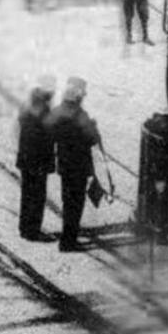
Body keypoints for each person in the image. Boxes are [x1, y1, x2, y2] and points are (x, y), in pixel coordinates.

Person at [46, 77, 104, 253]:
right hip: (79, 167)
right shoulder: (80, 116)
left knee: (67, 203)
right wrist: (93, 127)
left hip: (64, 165)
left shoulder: (57, 111)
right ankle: (68, 241)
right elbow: (93, 139)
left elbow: (50, 133)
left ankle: (67, 239)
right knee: (75, 205)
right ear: (78, 96)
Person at [15, 77, 57, 241]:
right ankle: (33, 231)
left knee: (26, 194)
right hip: (39, 161)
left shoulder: (26, 107)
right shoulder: (45, 113)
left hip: (26, 160)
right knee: (38, 196)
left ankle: (24, 228)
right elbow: (48, 138)